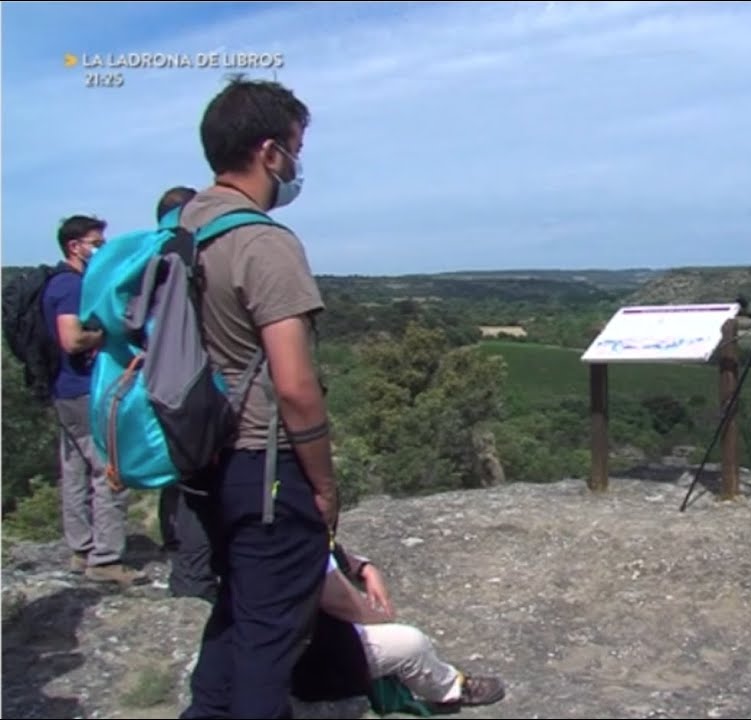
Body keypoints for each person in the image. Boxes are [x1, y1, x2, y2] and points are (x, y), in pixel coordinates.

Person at [179, 76, 339, 719]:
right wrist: (323, 484)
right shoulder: (263, 243)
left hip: (205, 456)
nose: (298, 165)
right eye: (297, 148)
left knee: (239, 614)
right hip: (265, 463)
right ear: (271, 152)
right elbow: (295, 386)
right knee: (271, 641)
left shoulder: (187, 225)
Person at [43, 214, 146, 586]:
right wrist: (104, 336)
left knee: (74, 470)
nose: (101, 248)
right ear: (75, 246)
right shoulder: (70, 287)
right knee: (108, 468)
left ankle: (82, 548)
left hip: (65, 390)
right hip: (84, 390)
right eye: (95, 242)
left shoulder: (57, 283)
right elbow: (71, 340)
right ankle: (105, 559)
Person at [290, 542, 507, 711]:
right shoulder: (294, 526)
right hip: (306, 661)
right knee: (410, 644)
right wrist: (378, 615)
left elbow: (327, 548)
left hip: (289, 642)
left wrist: (363, 567)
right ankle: (451, 689)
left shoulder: (282, 516)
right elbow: (339, 601)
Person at [151, 185, 219, 604]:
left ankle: (176, 553)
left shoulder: (146, 252)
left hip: (150, 383)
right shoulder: (187, 249)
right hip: (191, 382)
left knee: (176, 476)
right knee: (199, 479)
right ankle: (194, 582)